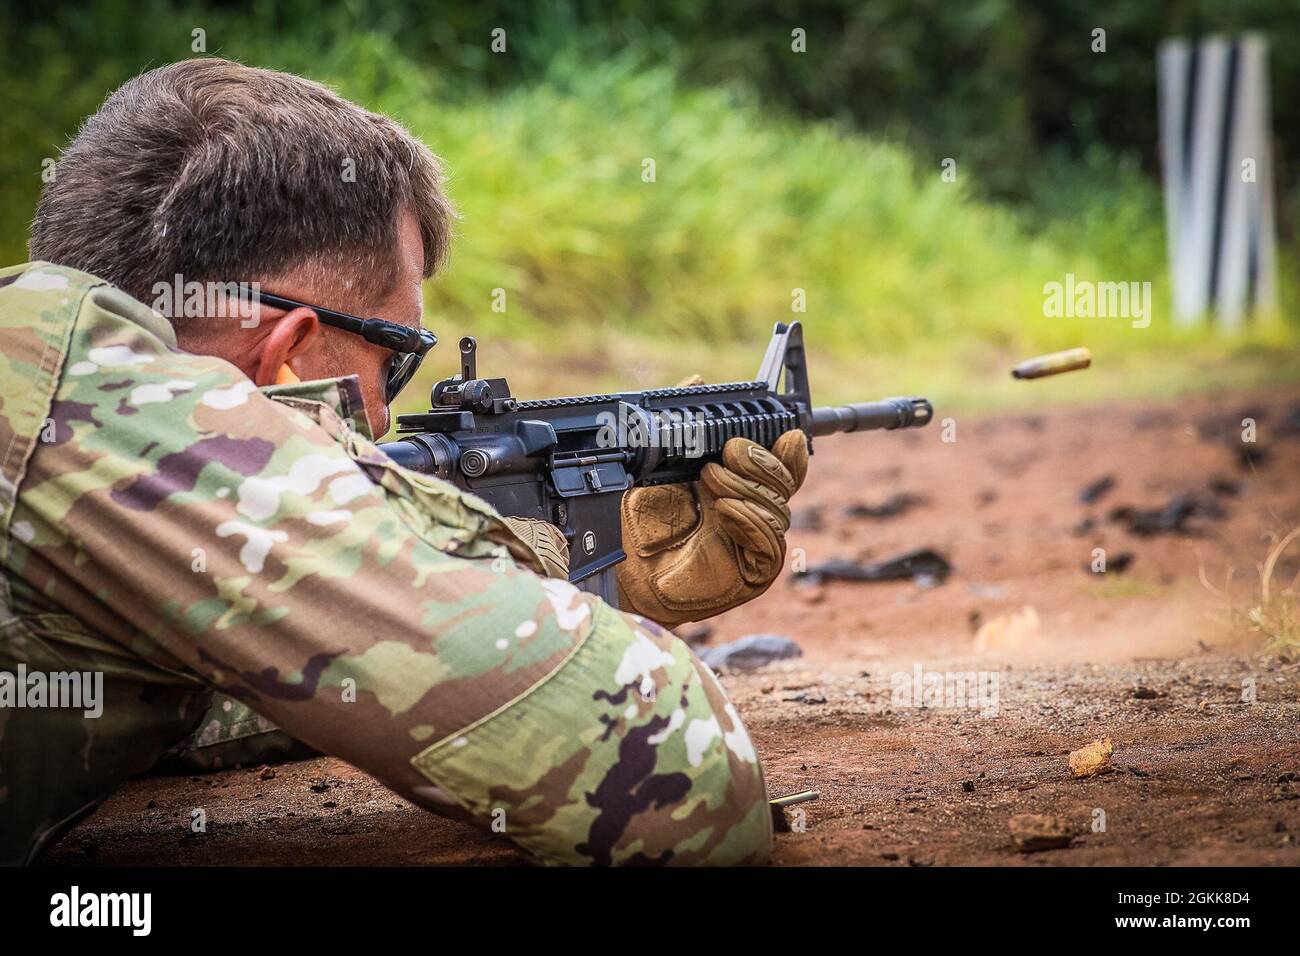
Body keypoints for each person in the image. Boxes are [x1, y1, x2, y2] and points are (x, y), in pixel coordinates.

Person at [0, 58, 807, 866]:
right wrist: (497, 571)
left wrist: (572, 582)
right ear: (284, 356)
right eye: (394, 363)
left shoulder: (54, 389)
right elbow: (680, 774)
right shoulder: (82, 395)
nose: (384, 415)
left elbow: (188, 690)